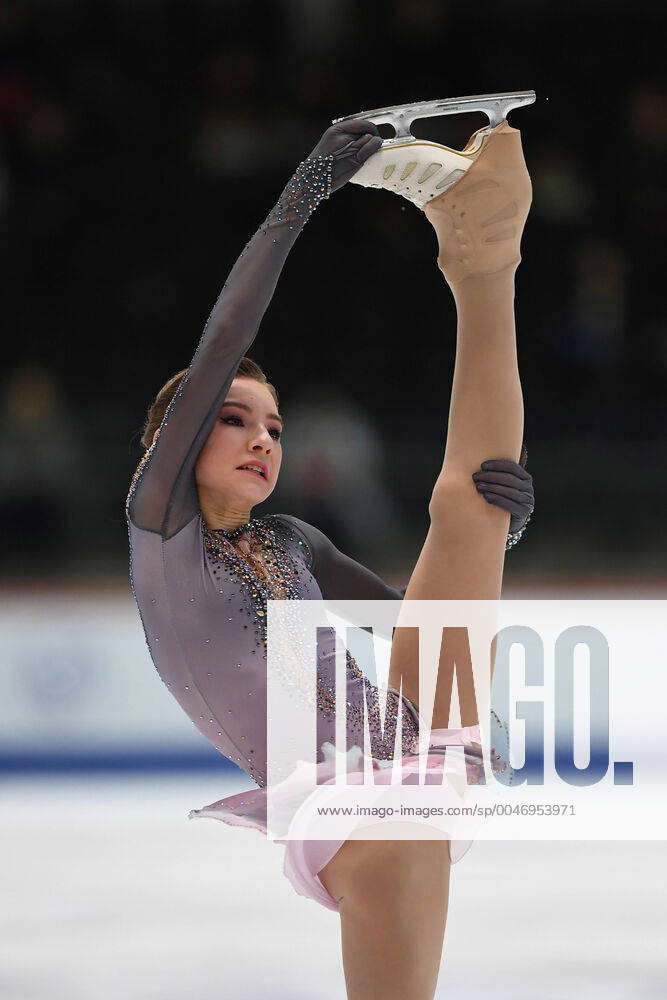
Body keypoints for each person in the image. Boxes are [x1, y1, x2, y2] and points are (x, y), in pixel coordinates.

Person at [126, 118, 533, 1000]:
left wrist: (497, 535)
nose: (261, 438)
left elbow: (415, 615)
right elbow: (225, 337)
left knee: (467, 502)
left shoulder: (291, 541)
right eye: (232, 418)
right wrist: (302, 195)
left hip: (413, 752)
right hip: (348, 811)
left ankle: (482, 253)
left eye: (273, 425)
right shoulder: (159, 526)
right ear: (171, 441)